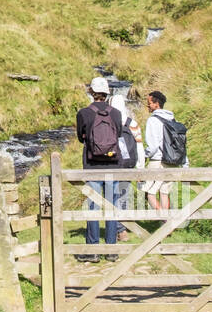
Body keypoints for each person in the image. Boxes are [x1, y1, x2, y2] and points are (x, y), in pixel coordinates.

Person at [75, 77, 132, 260]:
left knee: (92, 206)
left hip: (92, 165)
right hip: (113, 164)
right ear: (108, 93)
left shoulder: (83, 113)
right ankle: (112, 251)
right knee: (112, 205)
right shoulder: (116, 113)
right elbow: (118, 133)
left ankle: (92, 251)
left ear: (91, 92)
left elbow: (80, 137)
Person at [110, 92, 142, 243]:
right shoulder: (132, 123)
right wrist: (140, 167)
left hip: (112, 164)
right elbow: (140, 146)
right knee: (123, 196)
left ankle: (119, 229)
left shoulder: (108, 120)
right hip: (129, 164)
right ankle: (123, 227)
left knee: (111, 198)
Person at [142, 90, 181, 212]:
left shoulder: (153, 120)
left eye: (149, 102)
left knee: (149, 193)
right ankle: (167, 226)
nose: (147, 105)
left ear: (156, 104)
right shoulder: (172, 118)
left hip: (157, 161)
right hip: (172, 161)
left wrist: (144, 154)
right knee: (164, 193)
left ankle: (165, 221)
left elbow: (153, 146)